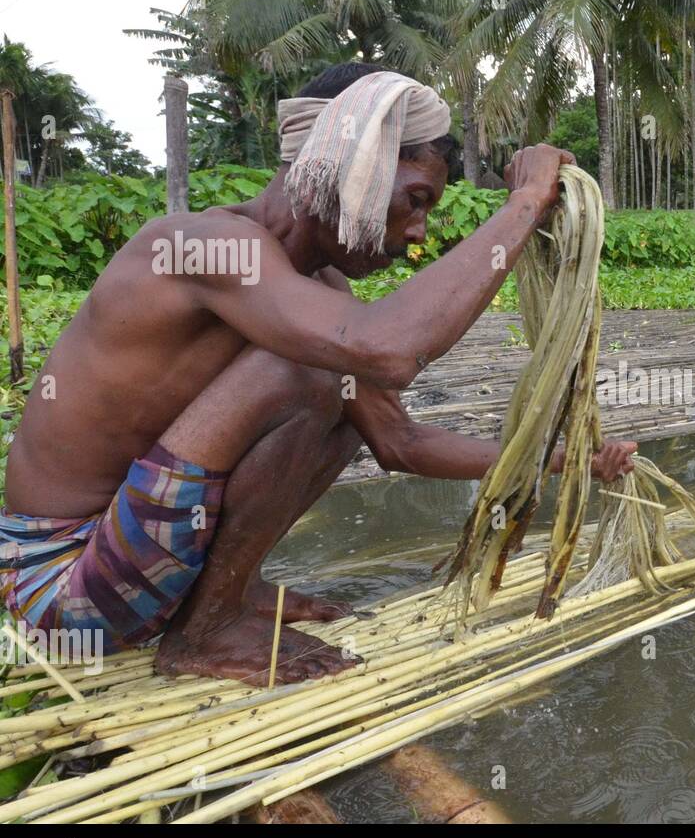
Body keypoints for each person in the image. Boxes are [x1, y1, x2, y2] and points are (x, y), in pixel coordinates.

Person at [0, 63, 637, 684]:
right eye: (414, 201)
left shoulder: (313, 288)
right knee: (316, 370)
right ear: (349, 163)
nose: (413, 235)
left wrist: (563, 459)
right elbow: (385, 347)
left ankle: (233, 592)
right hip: (60, 589)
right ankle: (206, 630)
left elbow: (400, 441)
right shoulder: (207, 246)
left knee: (342, 383)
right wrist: (525, 204)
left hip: (129, 558)